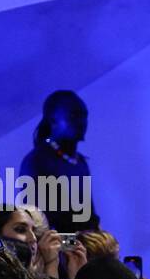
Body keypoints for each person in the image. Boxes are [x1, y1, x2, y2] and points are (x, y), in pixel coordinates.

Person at [19, 91, 100, 232]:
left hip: (82, 248)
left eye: (84, 116)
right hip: (56, 249)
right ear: (53, 120)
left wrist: (101, 242)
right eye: (74, 115)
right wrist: (73, 247)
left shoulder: (80, 162)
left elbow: (87, 217)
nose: (81, 122)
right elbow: (41, 226)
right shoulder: (37, 161)